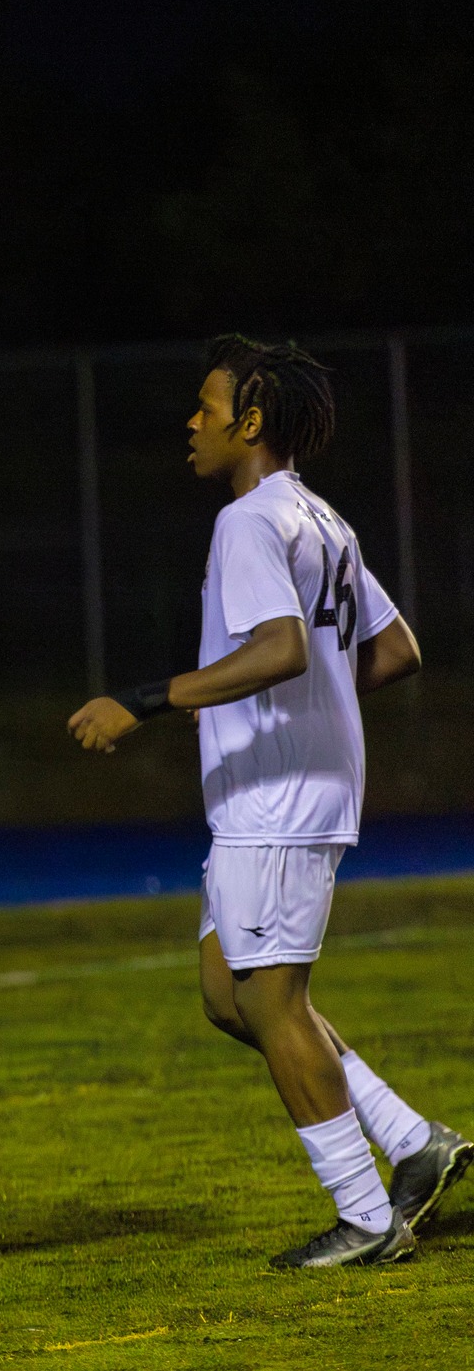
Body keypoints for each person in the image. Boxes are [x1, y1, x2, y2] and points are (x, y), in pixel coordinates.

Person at [68, 336, 468, 1267]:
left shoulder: (249, 520)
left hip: (276, 798)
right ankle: (414, 1141)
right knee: (229, 993)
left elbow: (282, 648)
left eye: (207, 408)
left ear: (250, 423)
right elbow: (398, 647)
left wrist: (143, 700)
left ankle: (367, 1216)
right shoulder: (320, 516)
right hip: (290, 788)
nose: (192, 422)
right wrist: (321, 701)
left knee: (273, 1000)